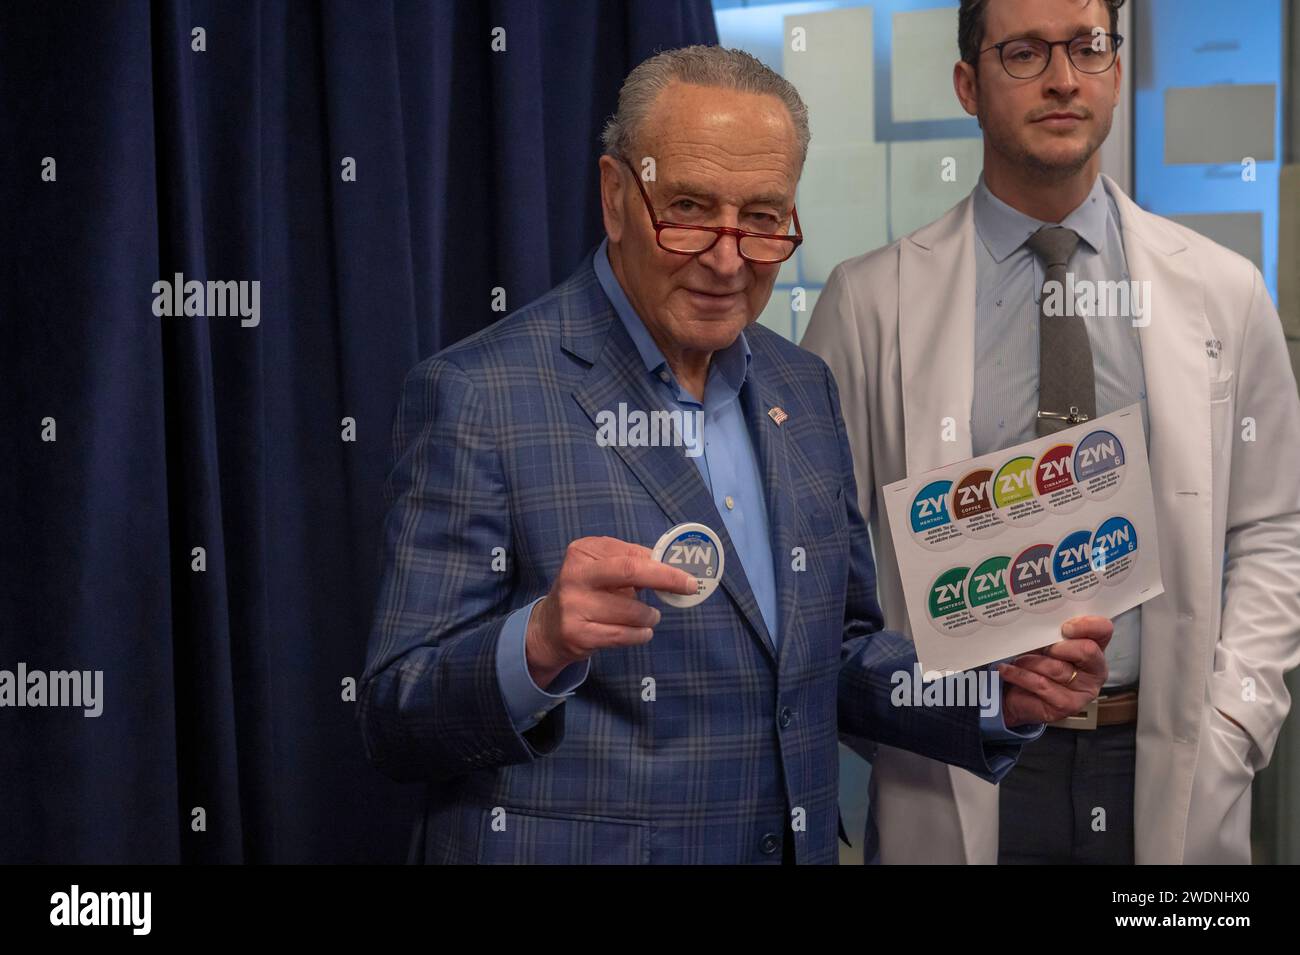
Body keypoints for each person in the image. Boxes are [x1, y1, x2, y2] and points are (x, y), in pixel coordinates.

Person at [359, 44, 1110, 864]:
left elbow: (843, 656)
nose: (725, 259)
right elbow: (395, 716)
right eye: (688, 208)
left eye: (761, 219)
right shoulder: (480, 395)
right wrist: (537, 643)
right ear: (616, 197)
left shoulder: (805, 388)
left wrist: (989, 688)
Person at [803, 0, 1300, 864]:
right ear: (968, 83)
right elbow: (816, 552)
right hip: (955, 759)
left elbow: (1274, 526)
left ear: (1114, 68)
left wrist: (1234, 716)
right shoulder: (868, 302)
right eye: (1025, 53)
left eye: (1087, 47)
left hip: (1163, 750)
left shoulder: (1224, 290)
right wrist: (896, 720)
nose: (1063, 78)